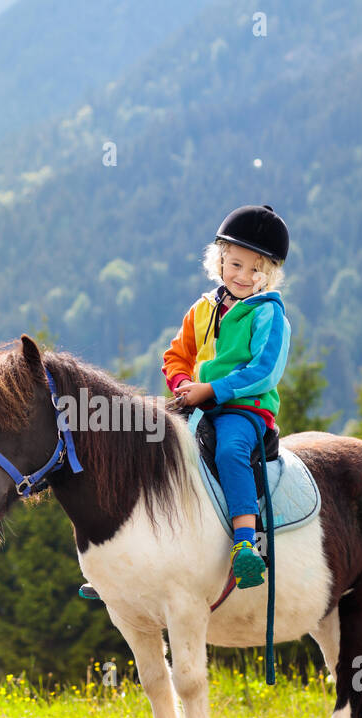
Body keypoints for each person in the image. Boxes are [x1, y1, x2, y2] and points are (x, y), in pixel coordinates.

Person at [78, 204, 291, 600]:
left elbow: (264, 371)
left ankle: (246, 541)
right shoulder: (202, 309)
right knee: (139, 443)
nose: (244, 276)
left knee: (229, 451)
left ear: (271, 274)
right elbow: (175, 356)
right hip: (193, 402)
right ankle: (118, 560)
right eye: (236, 264)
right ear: (220, 260)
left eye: (256, 270)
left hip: (243, 410)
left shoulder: (269, 316)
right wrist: (182, 383)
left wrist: (210, 391)